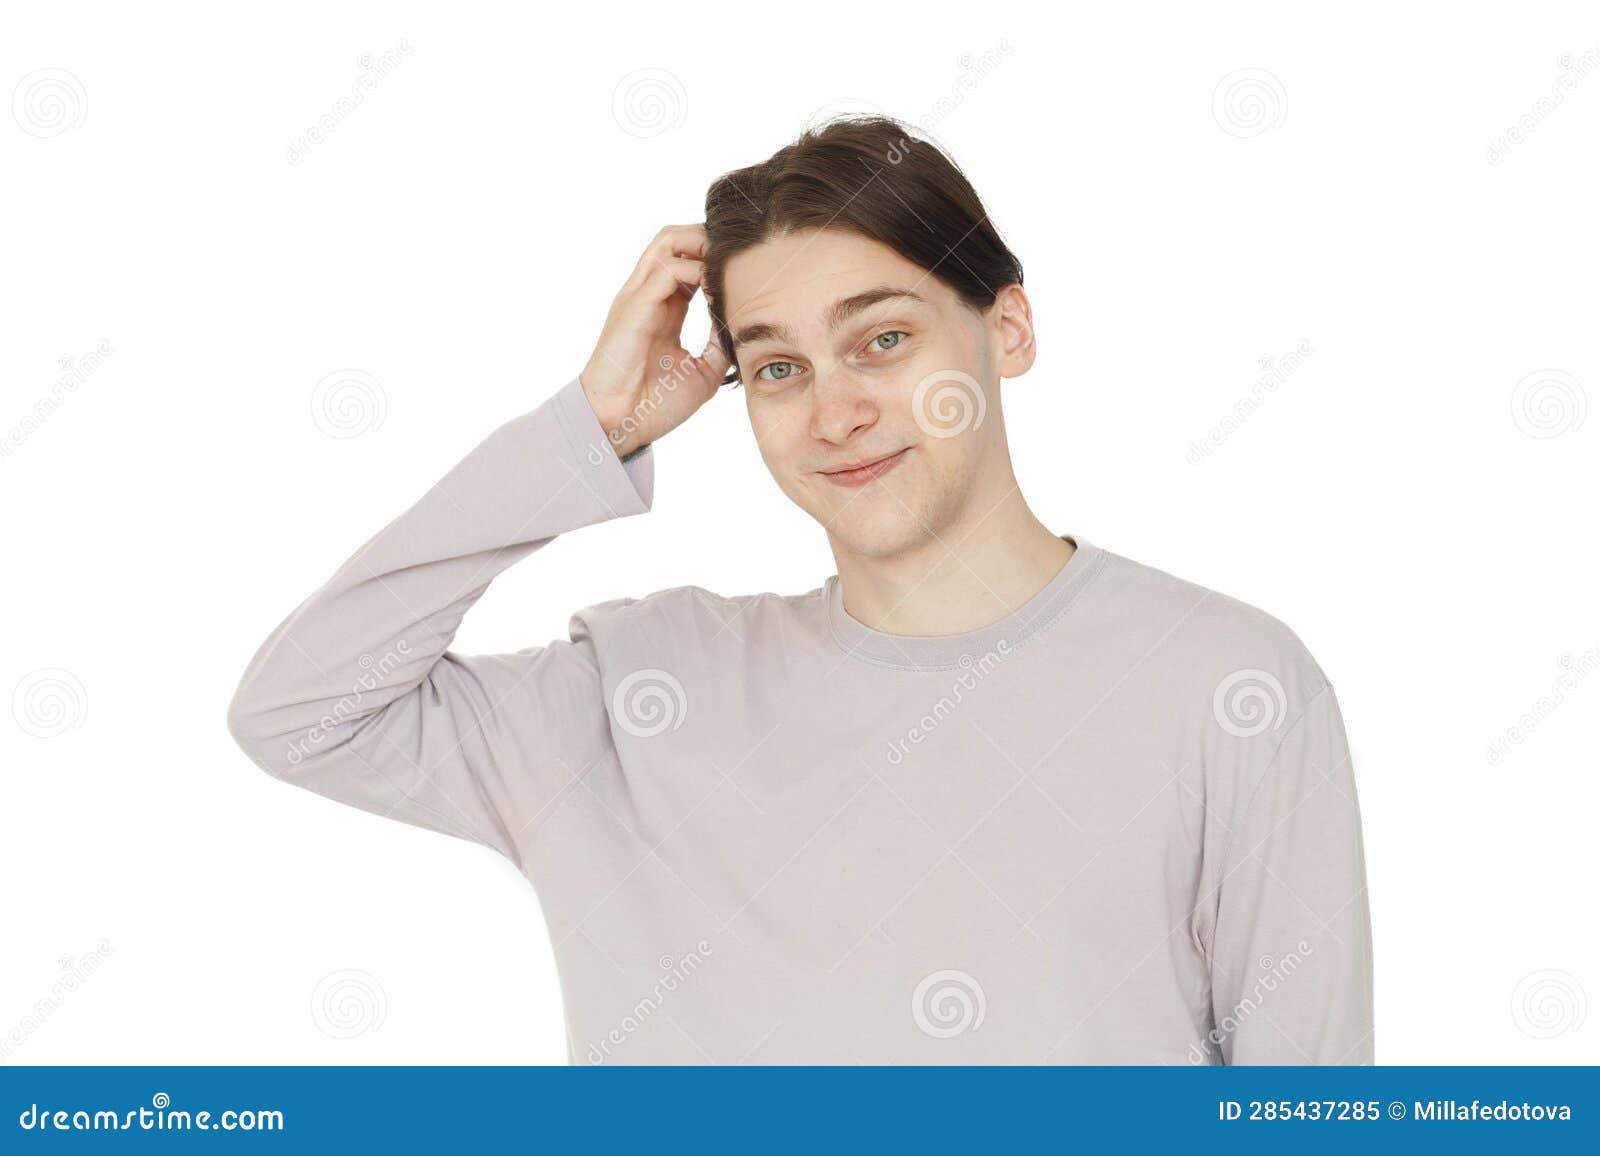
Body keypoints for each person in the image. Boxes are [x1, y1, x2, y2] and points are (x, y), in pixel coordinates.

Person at [226, 115, 1373, 1065]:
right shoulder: (636, 698)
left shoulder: (1228, 684)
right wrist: (589, 432)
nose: (834, 413)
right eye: (777, 367)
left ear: (1005, 327)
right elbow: (302, 712)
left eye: (880, 340)